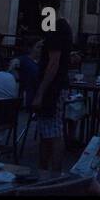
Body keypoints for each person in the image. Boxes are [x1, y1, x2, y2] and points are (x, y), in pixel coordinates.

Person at [33, 17, 73, 171]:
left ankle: (54, 173)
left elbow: (54, 62)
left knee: (55, 131)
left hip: (53, 88)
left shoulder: (55, 28)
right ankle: (45, 171)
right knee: (48, 130)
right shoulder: (63, 26)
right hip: (58, 85)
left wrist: (41, 92)